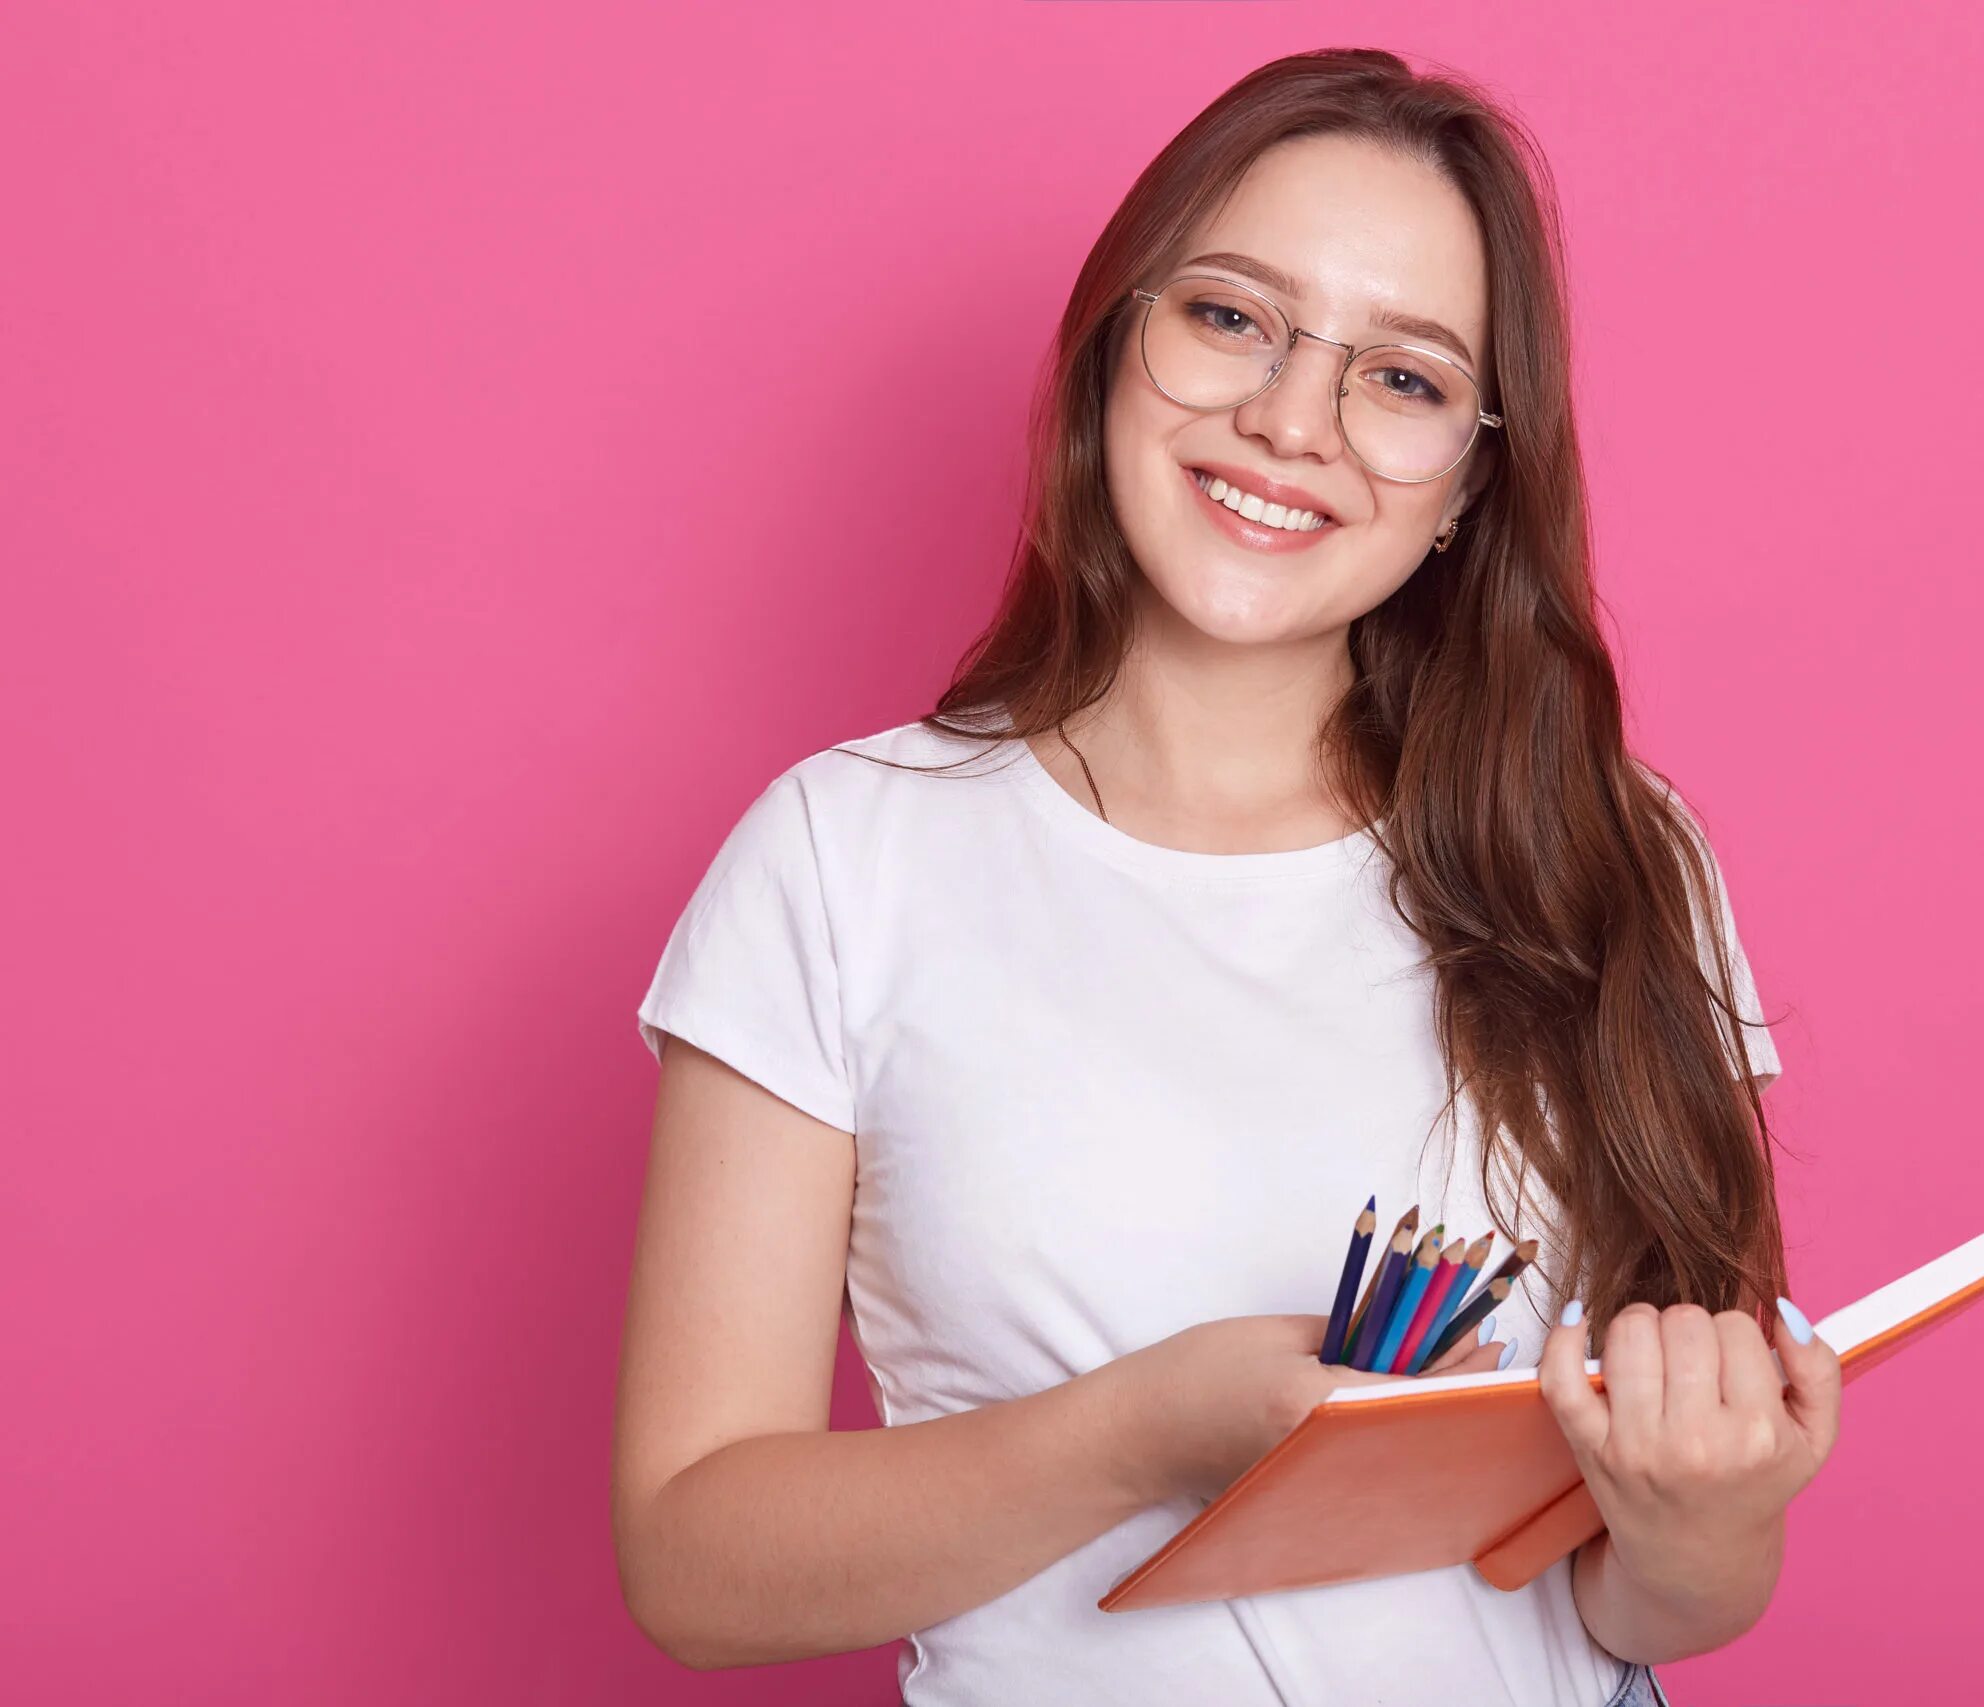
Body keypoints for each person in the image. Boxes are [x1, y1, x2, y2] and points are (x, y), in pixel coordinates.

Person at [611, 46, 1842, 1707]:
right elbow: (694, 1564)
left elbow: (1652, 1607)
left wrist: (1709, 1511)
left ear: (1472, 481)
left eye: (1401, 380)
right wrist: (1140, 1434)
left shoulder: (1616, 857)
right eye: (1233, 317)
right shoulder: (843, 859)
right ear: (1120, 338)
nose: (1289, 421)